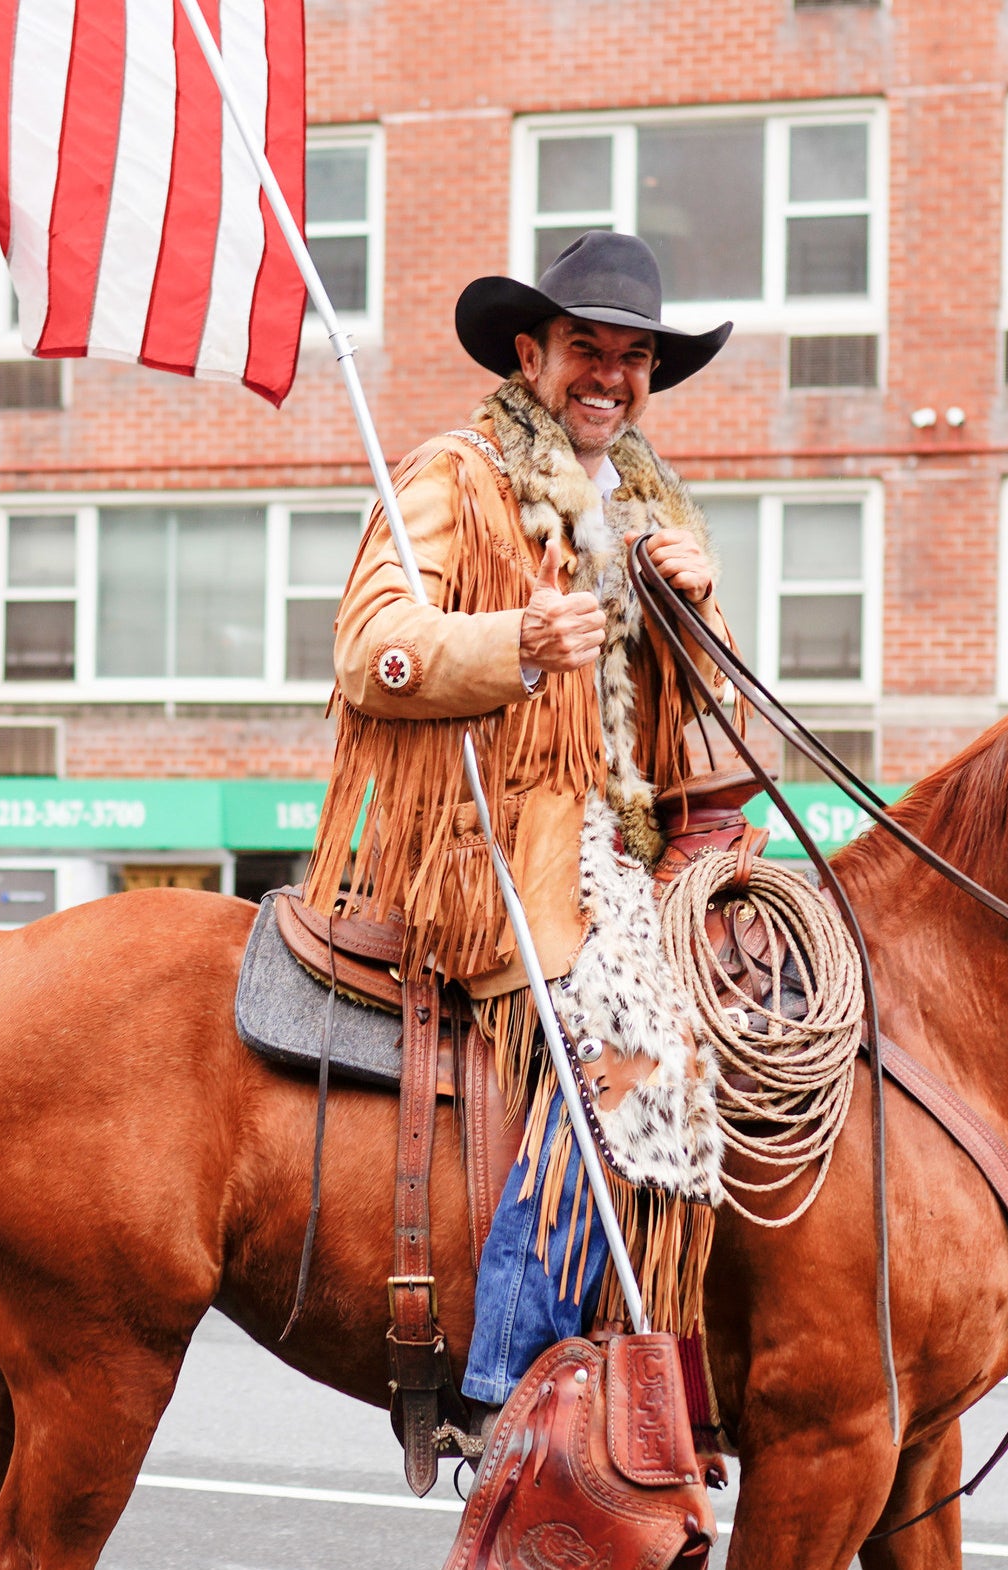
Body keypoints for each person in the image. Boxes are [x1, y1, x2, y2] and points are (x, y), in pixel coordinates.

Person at [299, 231, 739, 1411]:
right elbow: (367, 649)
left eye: (632, 355)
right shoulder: (456, 472)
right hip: (499, 843)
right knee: (631, 1055)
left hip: (635, 843)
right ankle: (511, 1380)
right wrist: (517, 645)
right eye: (584, 348)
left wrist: (697, 612)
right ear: (531, 353)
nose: (609, 375)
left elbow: (698, 716)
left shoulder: (648, 508)